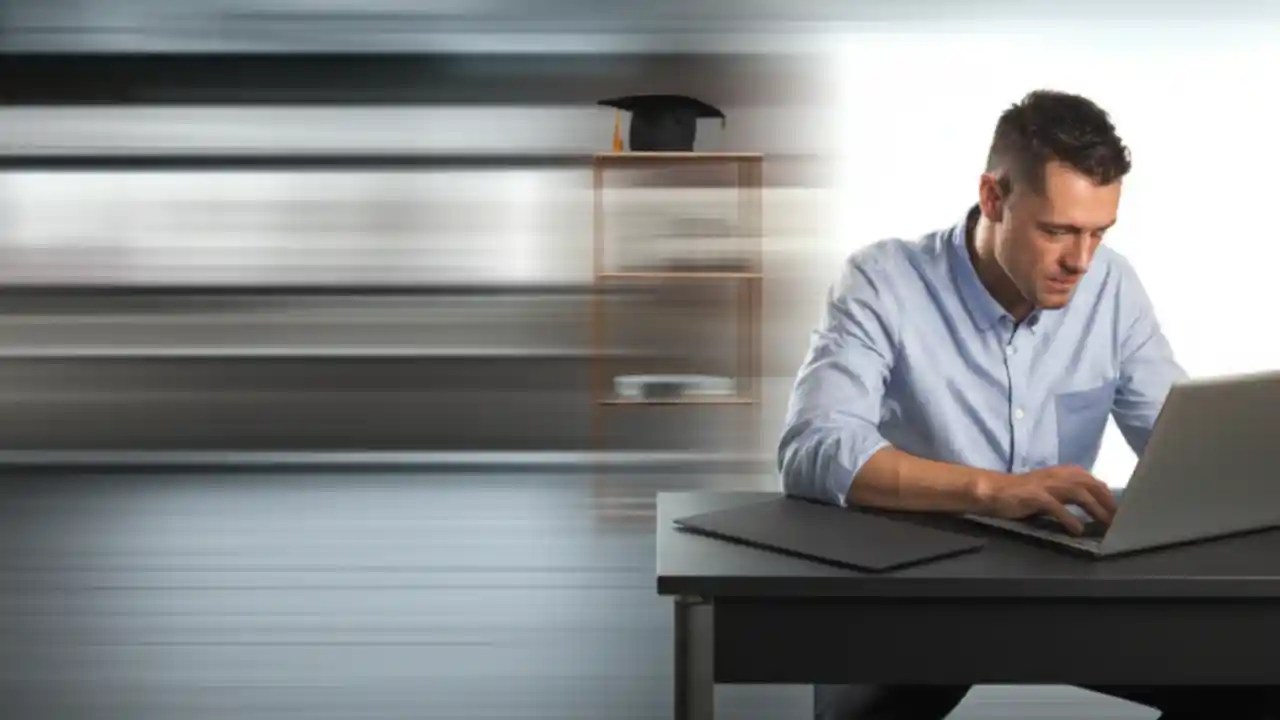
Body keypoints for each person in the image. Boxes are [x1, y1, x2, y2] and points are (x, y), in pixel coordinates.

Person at [778, 89, 1278, 720]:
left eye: (1098, 233)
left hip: (1064, 586)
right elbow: (815, 449)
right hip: (916, 588)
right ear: (993, 198)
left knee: (1257, 683)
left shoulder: (1112, 285)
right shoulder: (884, 280)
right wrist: (995, 491)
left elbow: (1178, 442)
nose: (1081, 260)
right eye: (1057, 231)